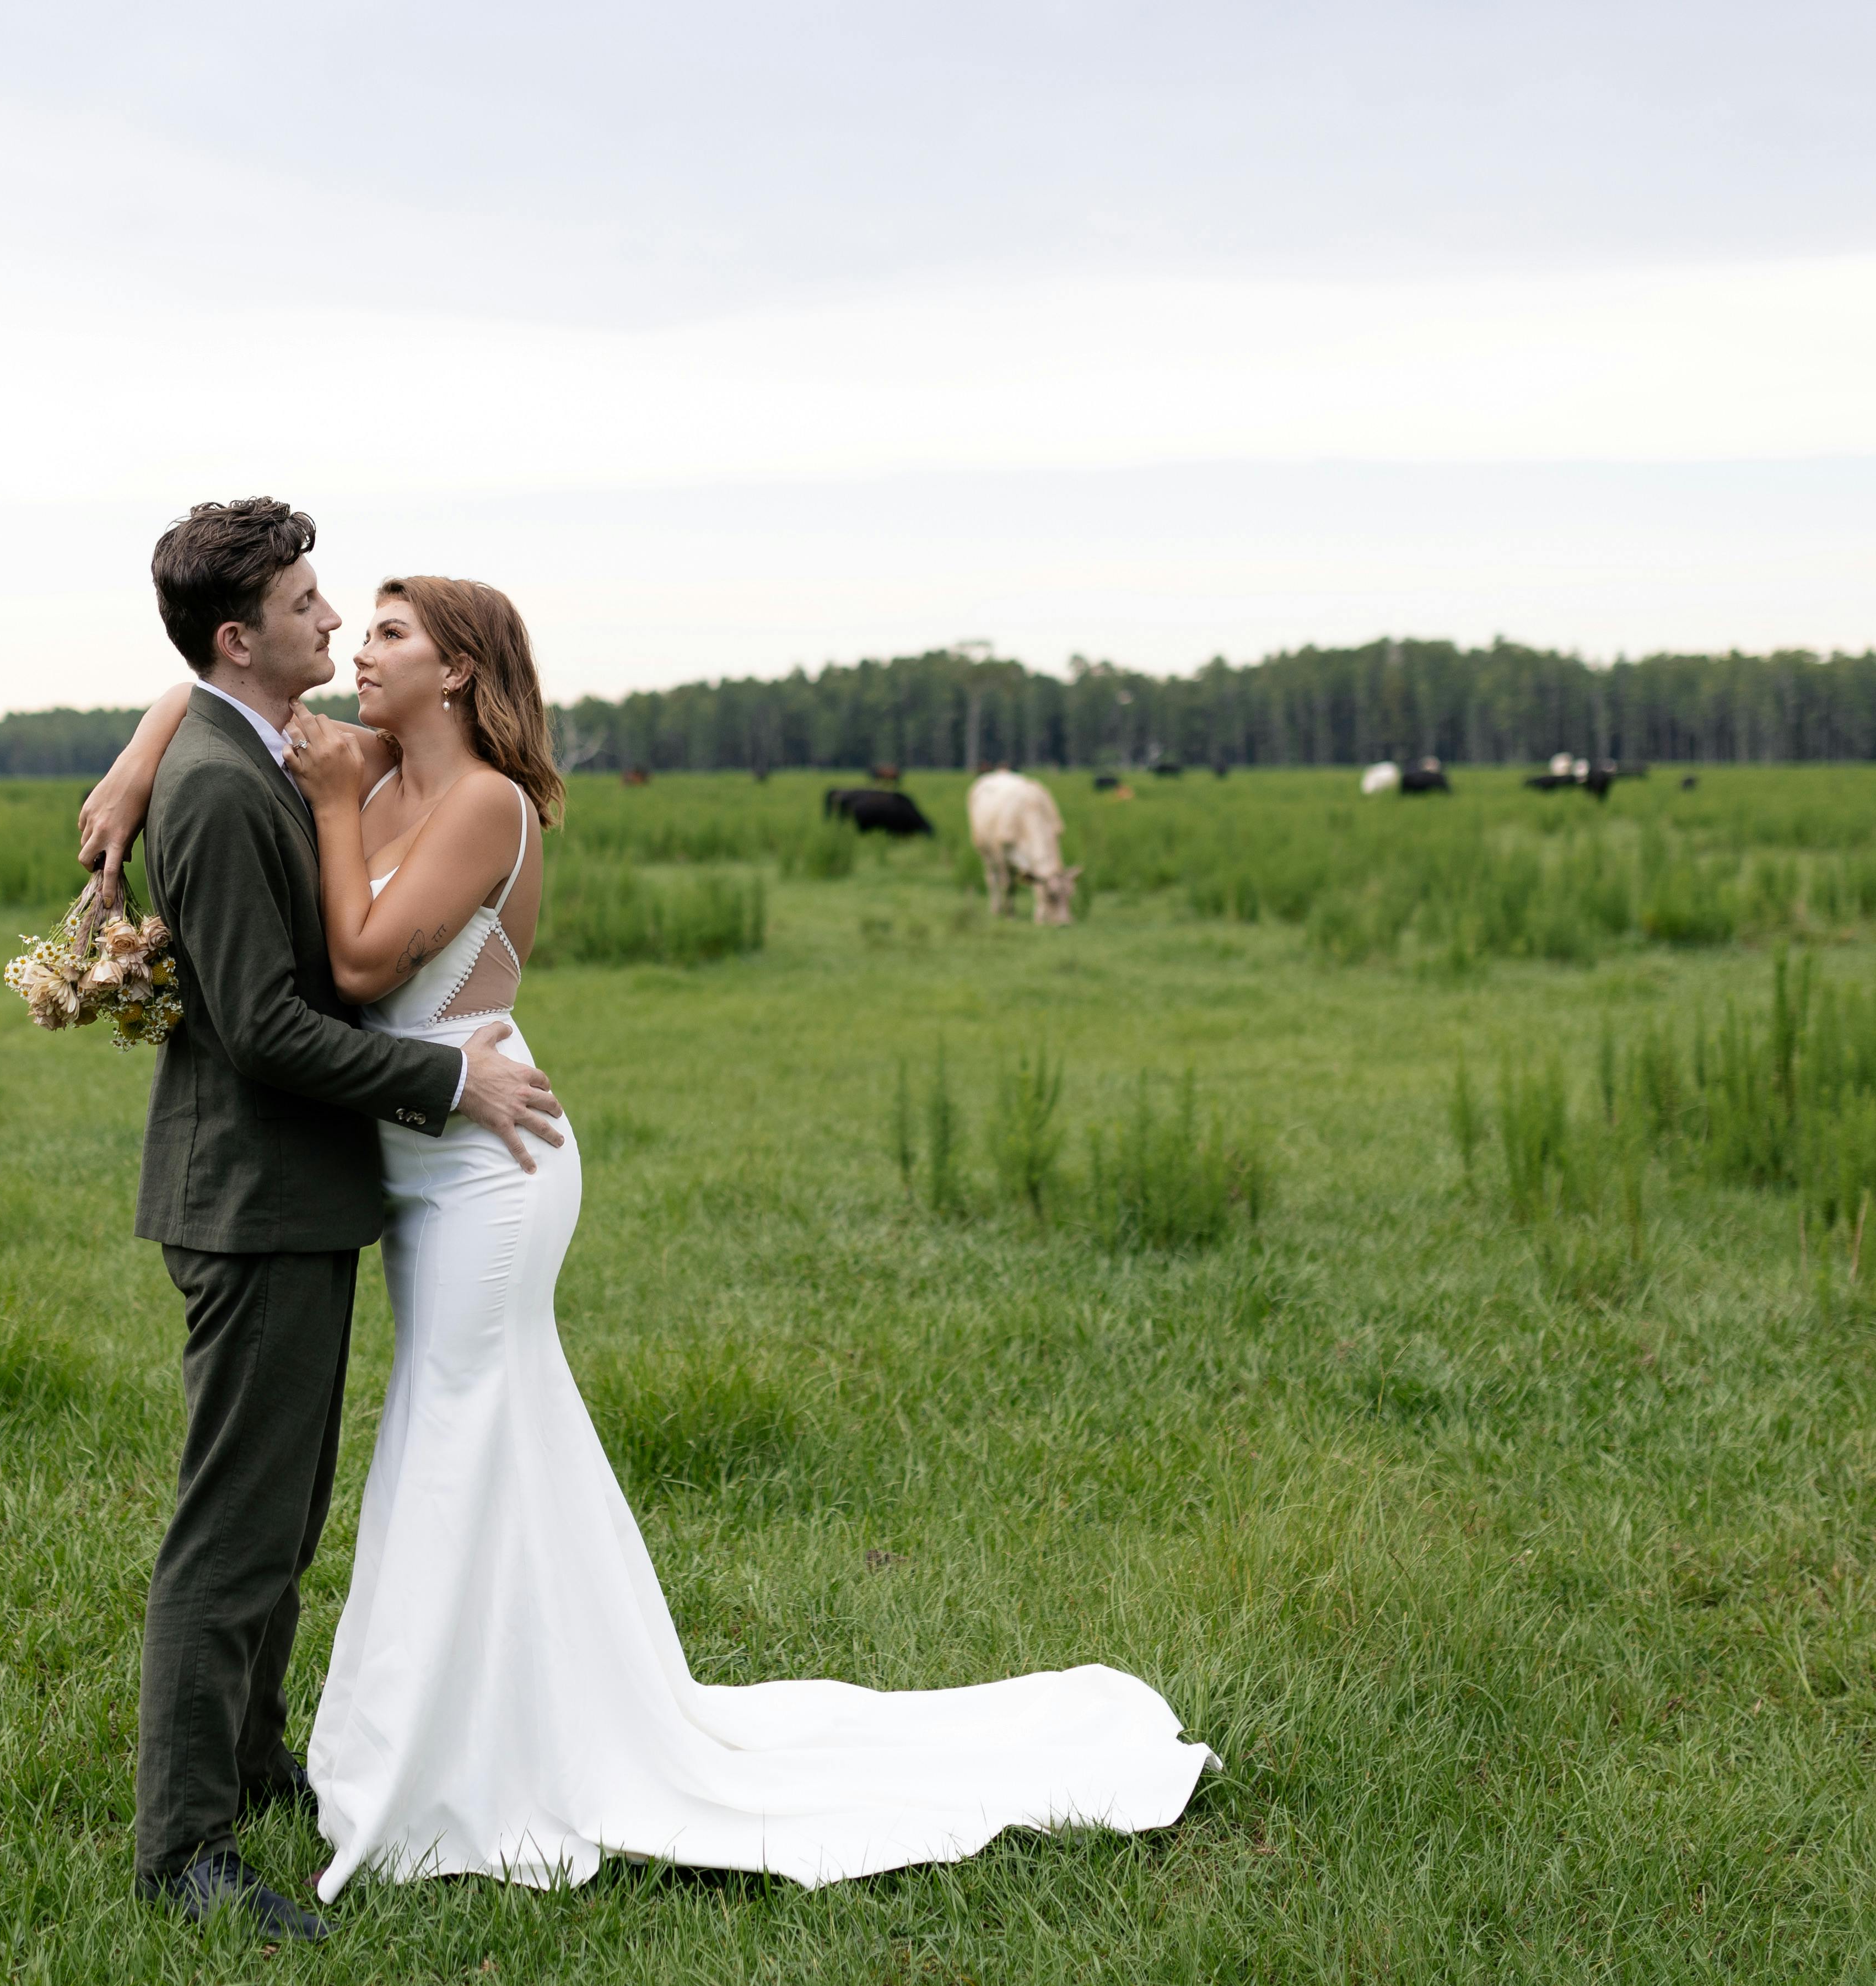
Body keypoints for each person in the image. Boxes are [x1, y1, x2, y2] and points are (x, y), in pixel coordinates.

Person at [88, 567, 1219, 1909]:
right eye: (337, 616)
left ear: (459, 672)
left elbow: (357, 967)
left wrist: (334, 811)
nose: (349, 642)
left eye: (384, 629)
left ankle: (476, 1757)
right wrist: (147, 741)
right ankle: (453, 1733)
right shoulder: (370, 758)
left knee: (456, 1437)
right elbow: (226, 704)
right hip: (408, 1157)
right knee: (456, 1445)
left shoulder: (478, 800)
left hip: (487, 1162)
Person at [78, 502, 568, 1944]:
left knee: (283, 1510)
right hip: (254, 1197)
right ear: (242, 636)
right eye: (303, 602)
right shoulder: (226, 792)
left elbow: (218, 708)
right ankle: (184, 1842)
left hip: (299, 1194)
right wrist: (442, 1076)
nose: (331, 620)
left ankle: (248, 1752)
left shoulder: (239, 744)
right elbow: (270, 1028)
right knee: (234, 1526)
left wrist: (160, 715)